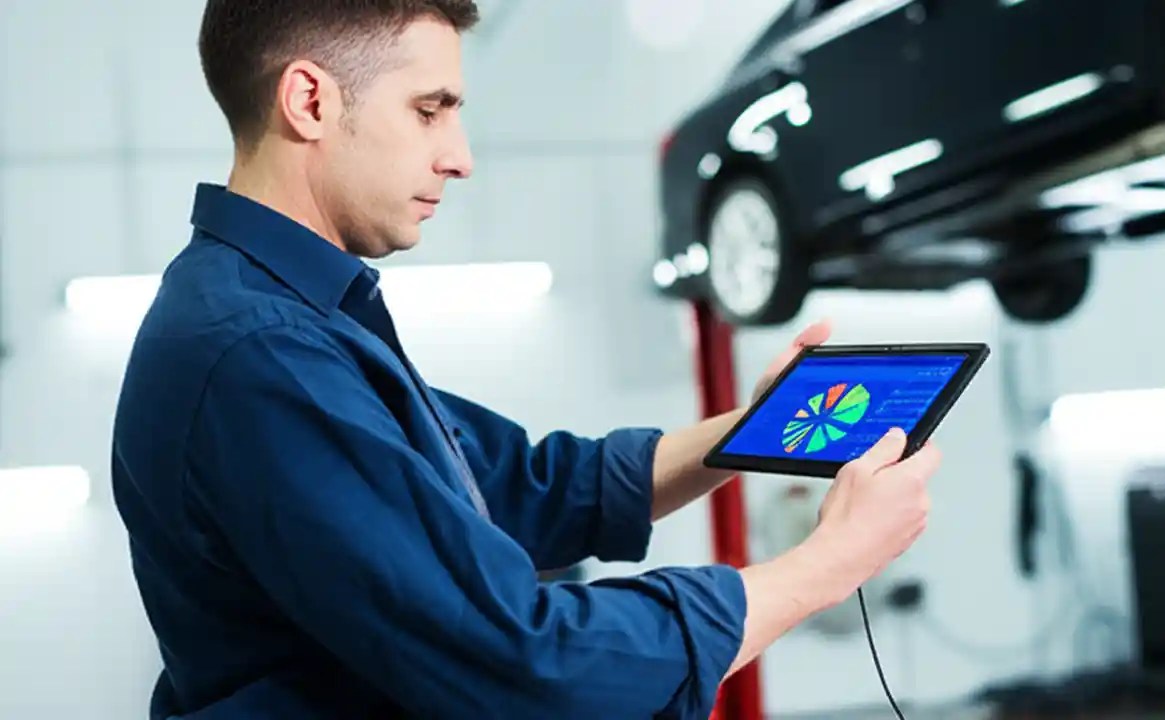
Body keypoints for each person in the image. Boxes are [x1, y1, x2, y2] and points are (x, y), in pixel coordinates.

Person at [109, 1, 943, 718]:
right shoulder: (259, 356)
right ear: (310, 100)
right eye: (430, 110)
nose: (460, 155)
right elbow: (523, 665)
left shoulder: (295, 320)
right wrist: (829, 564)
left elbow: (522, 488)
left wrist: (758, 430)